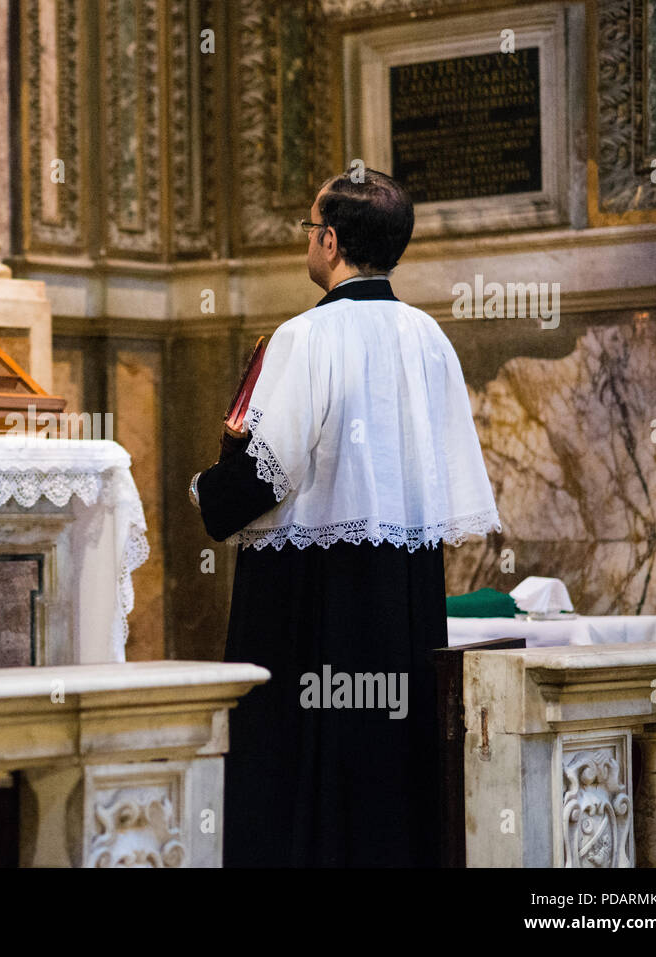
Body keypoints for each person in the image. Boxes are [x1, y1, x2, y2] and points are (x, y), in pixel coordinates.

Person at [191, 168, 499, 867]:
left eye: (310, 228)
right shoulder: (429, 338)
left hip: (310, 590)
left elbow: (269, 470)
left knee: (300, 760)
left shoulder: (304, 336)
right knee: (389, 761)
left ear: (330, 241)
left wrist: (206, 491)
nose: (308, 240)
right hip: (404, 587)